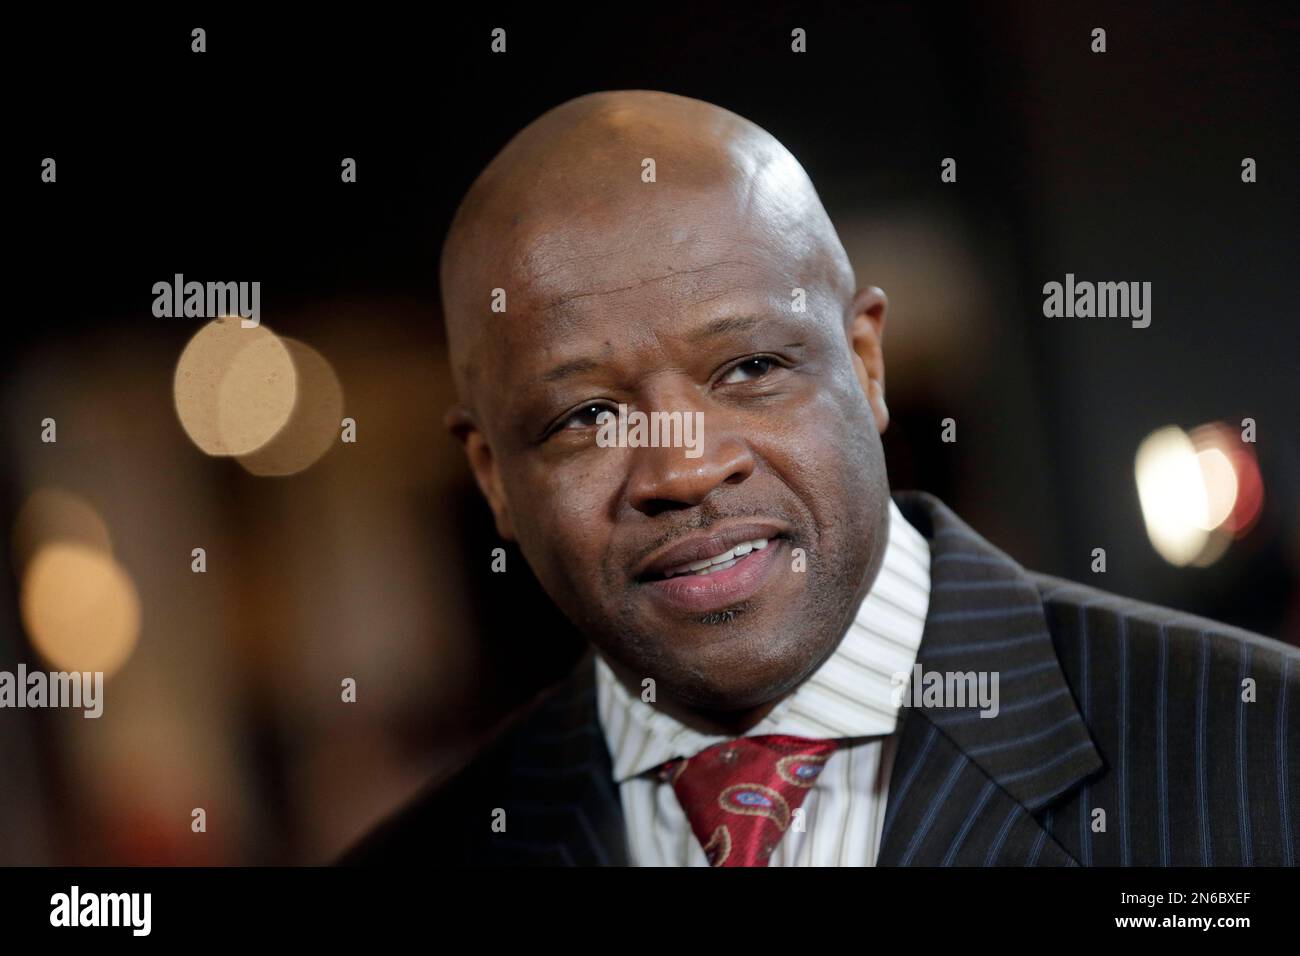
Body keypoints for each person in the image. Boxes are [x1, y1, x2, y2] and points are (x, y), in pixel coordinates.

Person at [342, 90, 1298, 866]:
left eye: (751, 367)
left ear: (865, 364)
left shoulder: (1262, 756)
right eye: (585, 417)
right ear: (493, 477)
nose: (684, 467)